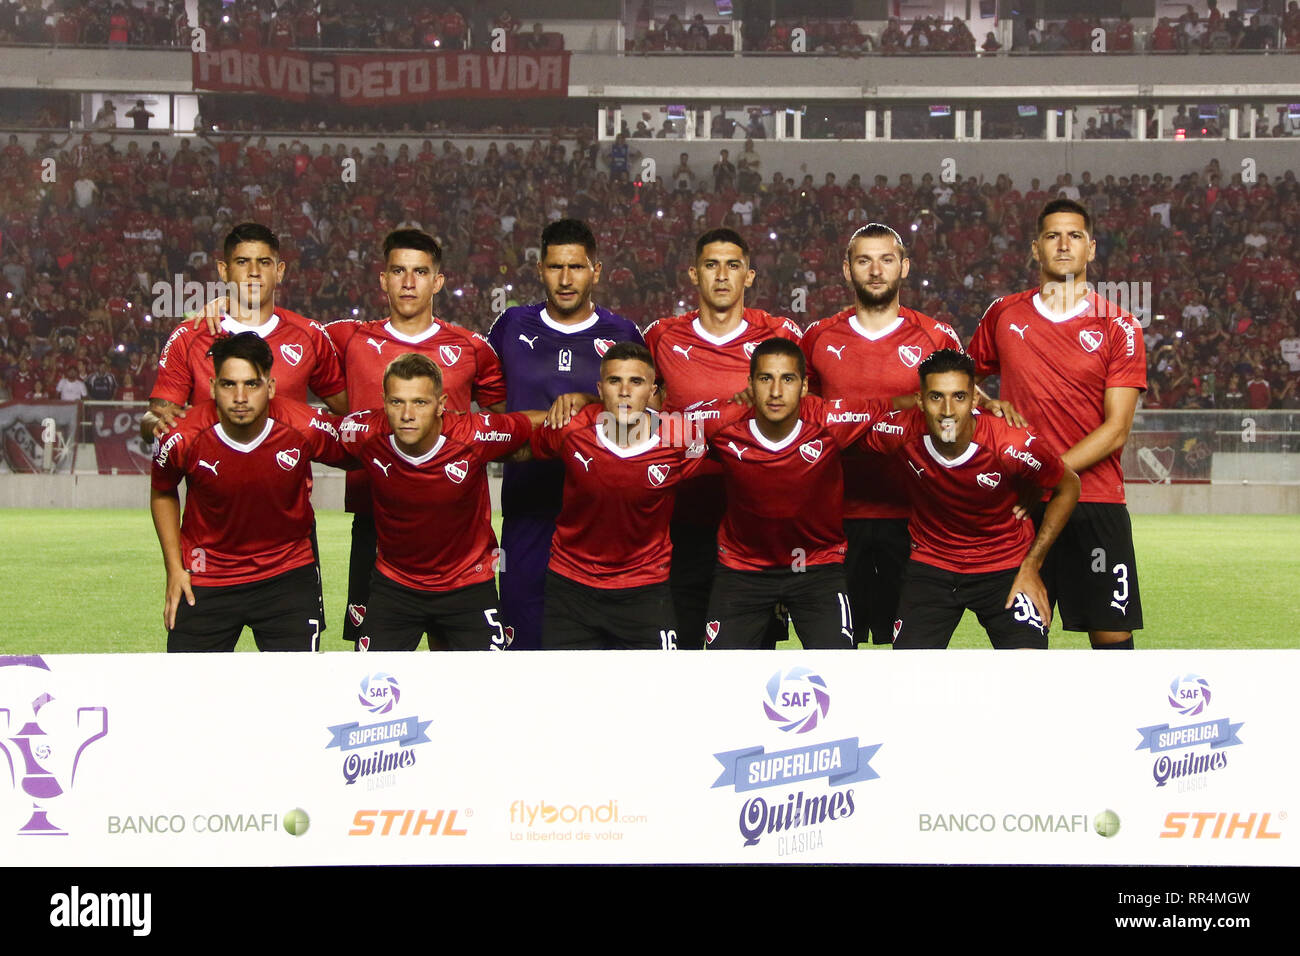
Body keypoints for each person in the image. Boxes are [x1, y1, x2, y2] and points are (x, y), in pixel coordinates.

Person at [801, 223, 1021, 646]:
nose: (876, 270)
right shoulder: (818, 337)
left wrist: (989, 404)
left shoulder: (934, 335)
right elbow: (804, 419)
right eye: (864, 260)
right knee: (834, 649)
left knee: (906, 654)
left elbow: (962, 406)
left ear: (904, 267)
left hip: (915, 522)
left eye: (886, 259)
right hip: (833, 520)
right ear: (847, 270)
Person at [968, 199, 1147, 648]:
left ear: (1091, 248)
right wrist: (987, 405)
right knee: (1023, 638)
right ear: (1035, 249)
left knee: (1112, 638)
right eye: (1052, 236)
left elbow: (1117, 428)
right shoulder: (1003, 314)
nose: (1063, 244)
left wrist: (1044, 476)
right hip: (1021, 507)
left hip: (1094, 501)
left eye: (1074, 236)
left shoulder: (1120, 325)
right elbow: (956, 384)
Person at [325, 228, 506, 646]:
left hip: (456, 533)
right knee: (376, 679)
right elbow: (280, 337)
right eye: (398, 271)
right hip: (378, 521)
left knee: (463, 673)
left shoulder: (471, 347)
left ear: (437, 281)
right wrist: (228, 310)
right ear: (383, 279)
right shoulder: (348, 337)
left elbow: (505, 420)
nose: (409, 282)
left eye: (420, 272)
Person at [486, 219, 643, 651]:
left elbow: (648, 414)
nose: (566, 278)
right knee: (524, 646)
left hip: (602, 518)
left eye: (576, 267)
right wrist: (531, 426)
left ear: (596, 270)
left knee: (599, 650)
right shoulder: (511, 326)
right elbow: (489, 403)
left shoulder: (623, 334)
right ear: (540, 269)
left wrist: (588, 408)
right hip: (528, 511)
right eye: (556, 267)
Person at [643, 228, 803, 649]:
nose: (721, 276)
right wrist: (718, 420)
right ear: (693, 274)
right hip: (680, 521)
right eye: (711, 265)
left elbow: (811, 413)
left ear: (749, 276)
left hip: (755, 526)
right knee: (684, 646)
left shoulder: (780, 334)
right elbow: (639, 419)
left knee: (752, 656)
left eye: (733, 266)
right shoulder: (662, 336)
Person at [861, 349, 1080, 648]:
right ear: (920, 400)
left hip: (1005, 566)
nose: (948, 409)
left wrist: (1032, 564)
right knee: (908, 674)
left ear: (976, 401)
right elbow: (841, 435)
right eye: (936, 397)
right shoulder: (899, 432)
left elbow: (1069, 487)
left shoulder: (1012, 444)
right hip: (932, 566)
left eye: (959, 397)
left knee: (1029, 670)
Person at [149, 333, 347, 652]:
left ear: (269, 387)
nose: (240, 396)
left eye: (251, 384)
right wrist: (174, 569)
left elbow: (369, 453)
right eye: (229, 384)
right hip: (206, 576)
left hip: (287, 575)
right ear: (213, 387)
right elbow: (162, 491)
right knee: (185, 693)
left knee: (299, 693)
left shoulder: (305, 427)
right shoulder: (181, 437)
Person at [334, 353, 542, 651]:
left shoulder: (474, 434)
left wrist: (590, 408)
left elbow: (534, 422)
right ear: (384, 402)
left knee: (492, 688)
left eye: (420, 402)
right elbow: (310, 435)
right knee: (370, 686)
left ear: (441, 404)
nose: (407, 414)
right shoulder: (365, 432)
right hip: (395, 585)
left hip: (467, 584)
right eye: (397, 402)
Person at [698, 339, 893, 650]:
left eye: (787, 379)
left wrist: (979, 411)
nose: (776, 391)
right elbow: (651, 428)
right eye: (766, 379)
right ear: (750, 384)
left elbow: (897, 404)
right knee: (724, 677)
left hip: (816, 566)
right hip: (744, 569)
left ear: (804, 386)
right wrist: (591, 405)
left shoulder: (829, 422)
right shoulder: (721, 425)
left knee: (838, 673)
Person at [530, 342, 708, 650]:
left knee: (656, 693)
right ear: (600, 388)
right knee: (566, 693)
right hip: (572, 588)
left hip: (646, 590)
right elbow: (528, 447)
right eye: (615, 381)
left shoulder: (683, 436)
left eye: (636, 382)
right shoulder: (569, 428)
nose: (625, 391)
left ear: (652, 391)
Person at [143, 222, 348, 442]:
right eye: (242, 262)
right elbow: (151, 421)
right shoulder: (188, 337)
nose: (254, 272)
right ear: (224, 270)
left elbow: (349, 412)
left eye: (264, 262)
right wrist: (162, 425)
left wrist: (308, 429)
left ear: (279, 272)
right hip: (211, 475)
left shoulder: (310, 335)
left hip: (287, 474)